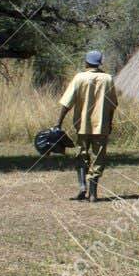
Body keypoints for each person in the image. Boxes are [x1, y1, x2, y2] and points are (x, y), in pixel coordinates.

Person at [56, 51, 118, 202]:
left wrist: (58, 123)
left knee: (81, 154)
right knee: (98, 157)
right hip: (101, 125)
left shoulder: (79, 78)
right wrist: (109, 123)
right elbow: (112, 105)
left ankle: (82, 185)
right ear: (99, 62)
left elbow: (66, 103)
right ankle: (93, 194)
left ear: (86, 62)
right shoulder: (108, 79)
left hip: (82, 125)